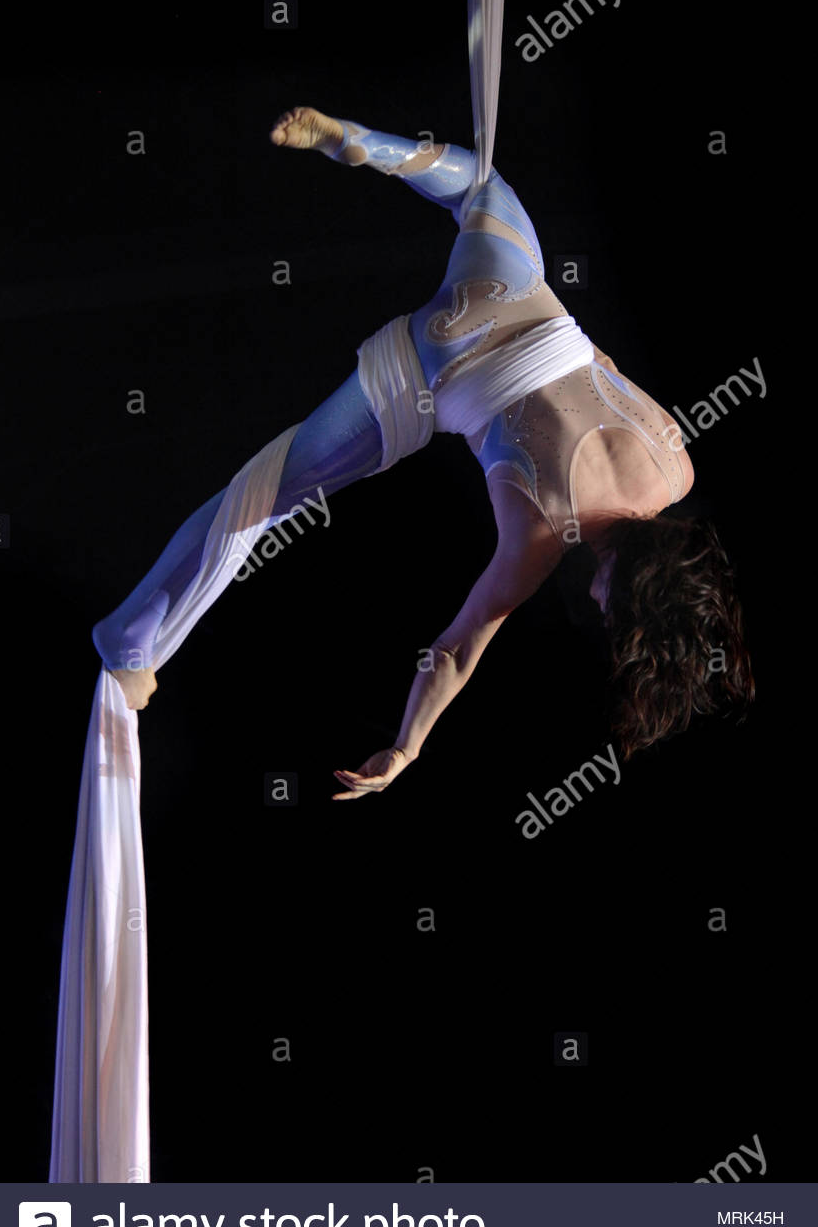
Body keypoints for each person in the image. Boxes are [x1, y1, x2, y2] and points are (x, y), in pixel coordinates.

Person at [91, 106, 754, 797]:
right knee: (263, 500)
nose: (601, 612)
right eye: (617, 615)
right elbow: (455, 652)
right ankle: (130, 641)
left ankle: (360, 142)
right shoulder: (543, 536)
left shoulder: (676, 463)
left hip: (513, 295)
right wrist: (406, 747)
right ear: (635, 588)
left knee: (483, 185)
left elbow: (601, 366)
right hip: (436, 368)